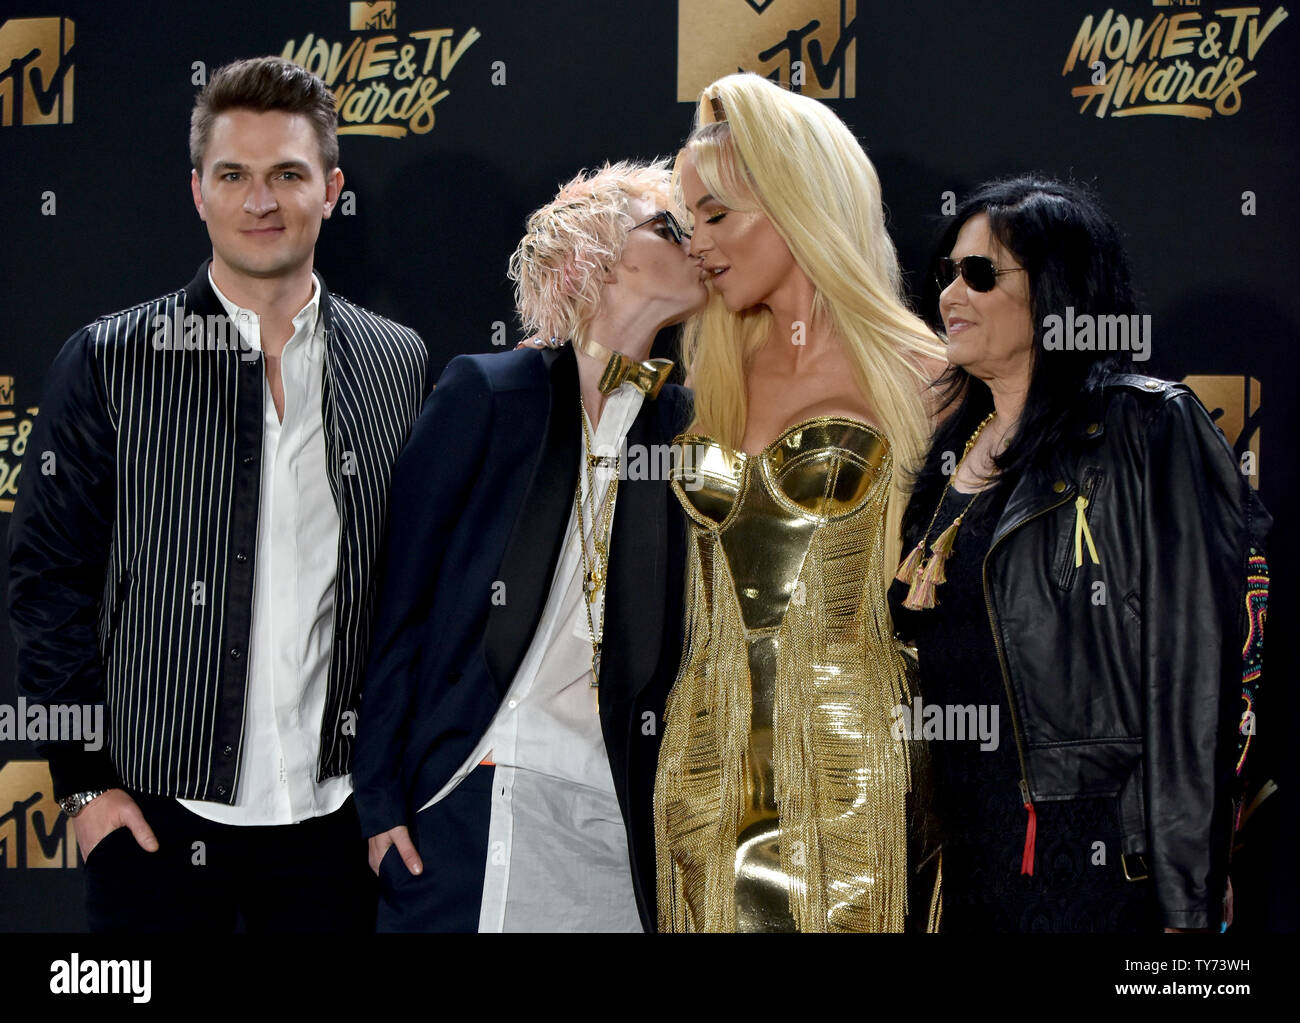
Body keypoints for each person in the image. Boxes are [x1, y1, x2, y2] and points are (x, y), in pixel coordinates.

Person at [6, 56, 429, 932]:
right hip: (156, 821)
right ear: (198, 191)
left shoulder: (398, 363)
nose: (260, 200)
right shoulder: (110, 360)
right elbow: (47, 585)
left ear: (332, 188)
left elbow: (414, 593)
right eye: (233, 174)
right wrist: (84, 783)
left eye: (287, 174)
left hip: (336, 822)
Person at [889, 175, 1270, 932]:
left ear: (1058, 288)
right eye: (945, 273)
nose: (950, 295)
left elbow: (1196, 676)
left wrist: (1186, 891)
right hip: (959, 860)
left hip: (1089, 865)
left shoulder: (1148, 428)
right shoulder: (944, 448)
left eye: (981, 274)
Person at [352, 159, 705, 932]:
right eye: (672, 227)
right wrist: (379, 802)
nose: (697, 242)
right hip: (482, 789)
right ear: (593, 258)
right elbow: (398, 604)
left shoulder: (687, 423)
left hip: (624, 813)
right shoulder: (489, 391)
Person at [653, 73, 948, 932]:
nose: (698, 243)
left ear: (796, 204)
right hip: (704, 771)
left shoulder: (924, 376)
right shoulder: (710, 377)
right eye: (688, 219)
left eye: (717, 216)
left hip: (858, 781)